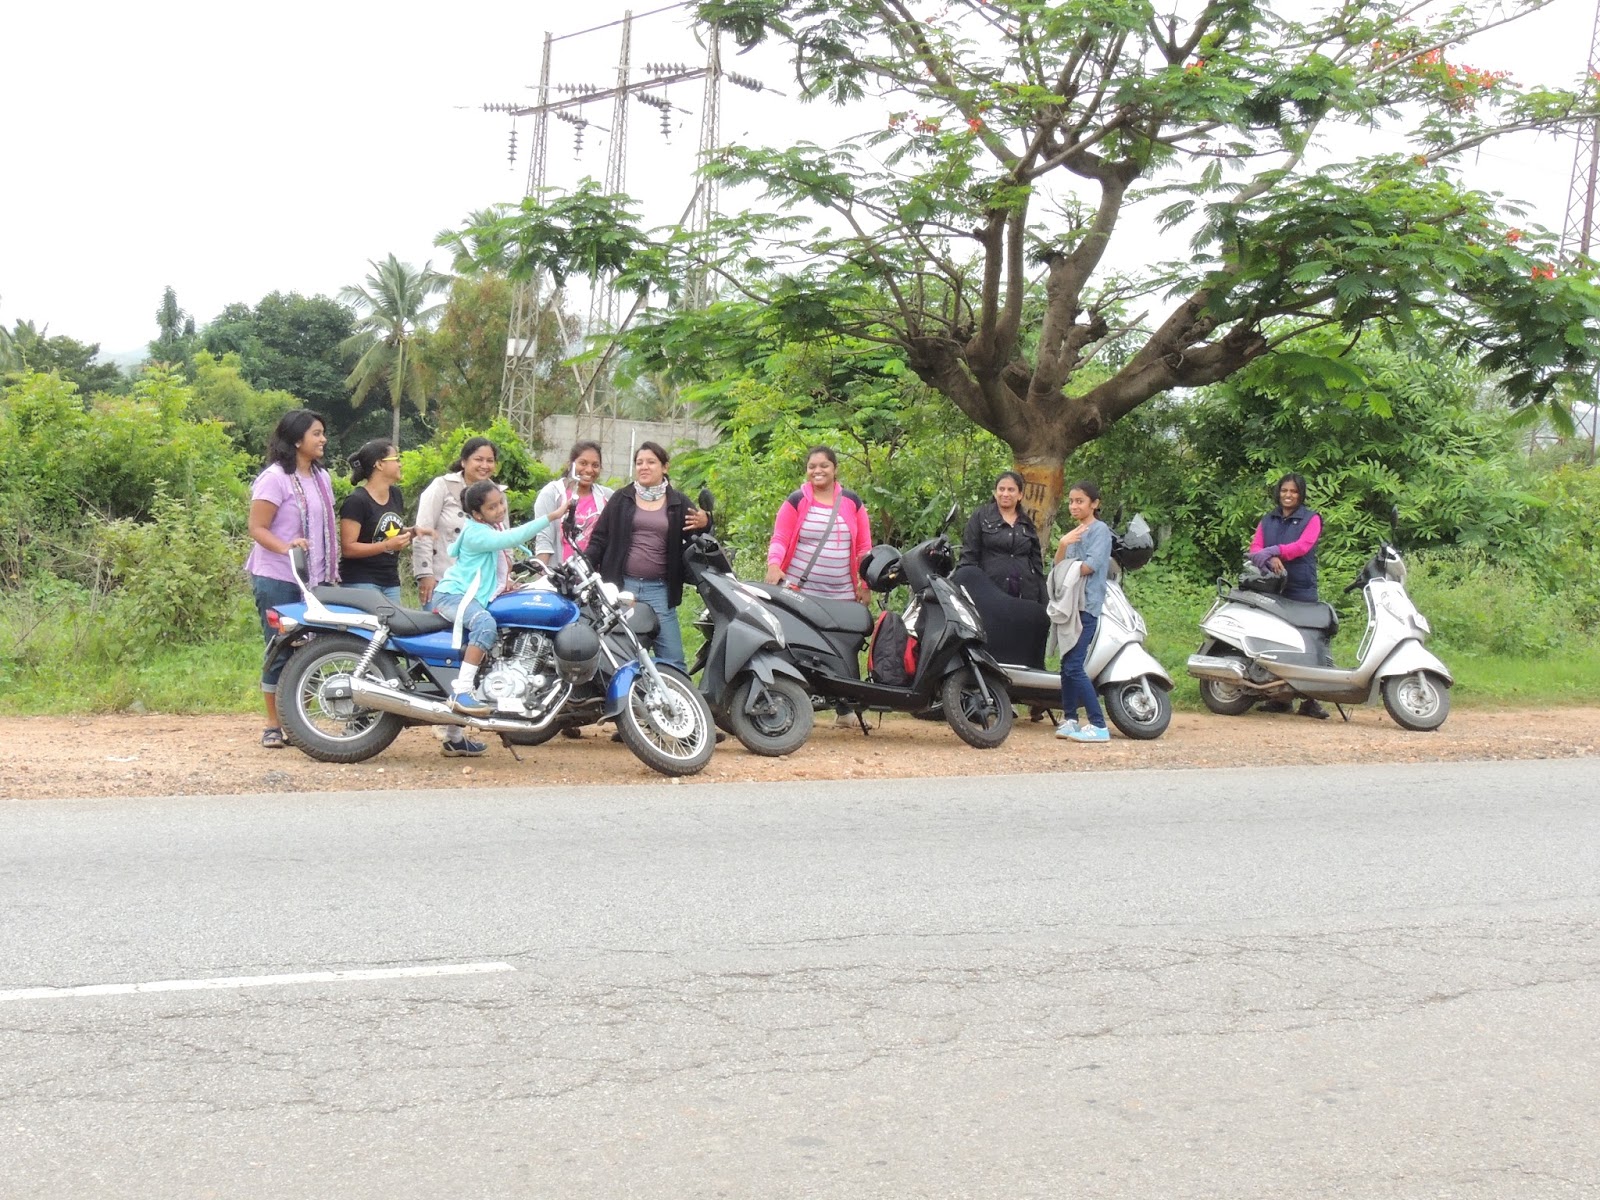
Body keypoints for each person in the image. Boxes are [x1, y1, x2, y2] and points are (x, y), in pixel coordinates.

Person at [429, 481, 569, 719]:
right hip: (453, 596)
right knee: (485, 625)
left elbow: (490, 566)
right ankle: (461, 691)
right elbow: (512, 539)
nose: (500, 510)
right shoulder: (476, 533)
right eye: (492, 507)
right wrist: (551, 516)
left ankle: (455, 738)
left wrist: (508, 584)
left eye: (501, 503)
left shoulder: (491, 528)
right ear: (477, 514)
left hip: (469, 596)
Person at [245, 409, 337, 750]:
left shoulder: (321, 477)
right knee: (281, 648)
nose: (323, 439)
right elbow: (257, 528)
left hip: (315, 579)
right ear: (297, 440)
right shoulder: (274, 478)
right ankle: (272, 725)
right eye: (316, 433)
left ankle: (298, 722)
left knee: (311, 650)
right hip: (279, 578)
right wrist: (287, 548)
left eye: (323, 432)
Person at [763, 445, 874, 727]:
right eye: (812, 466)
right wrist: (774, 565)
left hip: (842, 592)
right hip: (802, 591)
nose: (817, 471)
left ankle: (846, 710)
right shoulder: (797, 500)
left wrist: (865, 582)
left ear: (835, 468)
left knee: (845, 648)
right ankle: (797, 705)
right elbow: (780, 537)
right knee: (798, 647)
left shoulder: (851, 501)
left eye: (823, 465)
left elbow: (863, 546)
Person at [412, 437, 506, 756]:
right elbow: (423, 530)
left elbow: (502, 541)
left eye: (490, 460)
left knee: (473, 652)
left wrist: (509, 579)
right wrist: (424, 573)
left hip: (479, 589)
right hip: (445, 584)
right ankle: (446, 722)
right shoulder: (443, 487)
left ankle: (454, 734)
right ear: (464, 461)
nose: (484, 465)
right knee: (448, 655)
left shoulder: (494, 493)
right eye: (478, 459)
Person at [584, 441, 708, 674]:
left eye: (651, 462)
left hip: (659, 591)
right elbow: (599, 539)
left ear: (664, 467)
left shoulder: (678, 502)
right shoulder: (622, 499)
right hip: (623, 588)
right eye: (639, 462)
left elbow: (699, 538)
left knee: (673, 661)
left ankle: (678, 704)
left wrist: (706, 521)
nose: (644, 467)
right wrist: (585, 563)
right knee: (621, 656)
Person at [1250, 472, 1328, 719]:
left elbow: (1303, 546)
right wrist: (1270, 557)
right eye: (1284, 490)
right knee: (1275, 641)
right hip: (1272, 587)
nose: (1288, 495)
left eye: (1293, 491)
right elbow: (1255, 548)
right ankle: (1279, 699)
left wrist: (1274, 551)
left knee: (1308, 643)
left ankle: (1310, 700)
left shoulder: (1312, 518)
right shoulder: (1268, 519)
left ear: (1301, 494)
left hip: (1301, 588)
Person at [1052, 480, 1114, 744]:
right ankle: (1071, 721)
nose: (1074, 505)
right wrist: (1063, 544)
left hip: (1086, 606)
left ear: (1094, 504)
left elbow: (1091, 566)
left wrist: (1069, 565)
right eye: (1071, 501)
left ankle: (1098, 725)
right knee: (1066, 664)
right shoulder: (1073, 532)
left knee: (1075, 665)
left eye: (1080, 501)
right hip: (1070, 608)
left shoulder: (1100, 531)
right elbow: (1057, 567)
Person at [339, 439, 424, 604]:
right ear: (379, 464)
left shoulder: (395, 494)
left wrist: (411, 532)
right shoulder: (356, 501)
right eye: (396, 459)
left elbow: (386, 532)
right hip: (361, 581)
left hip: (390, 580)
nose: (400, 464)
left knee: (393, 629)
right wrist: (386, 546)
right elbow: (348, 548)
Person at [958, 471, 1045, 603]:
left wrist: (1043, 599)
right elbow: (968, 556)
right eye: (1001, 489)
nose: (1005, 494)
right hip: (989, 593)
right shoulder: (981, 517)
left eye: (1011, 490)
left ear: (1020, 495)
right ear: (995, 492)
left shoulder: (1026, 523)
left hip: (1025, 595)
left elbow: (1036, 563)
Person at [534, 439, 613, 566]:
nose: (589, 470)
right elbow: (544, 540)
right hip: (559, 576)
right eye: (583, 463)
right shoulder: (551, 494)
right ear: (571, 464)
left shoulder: (607, 497)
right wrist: (544, 577)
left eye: (595, 465)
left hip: (591, 579)